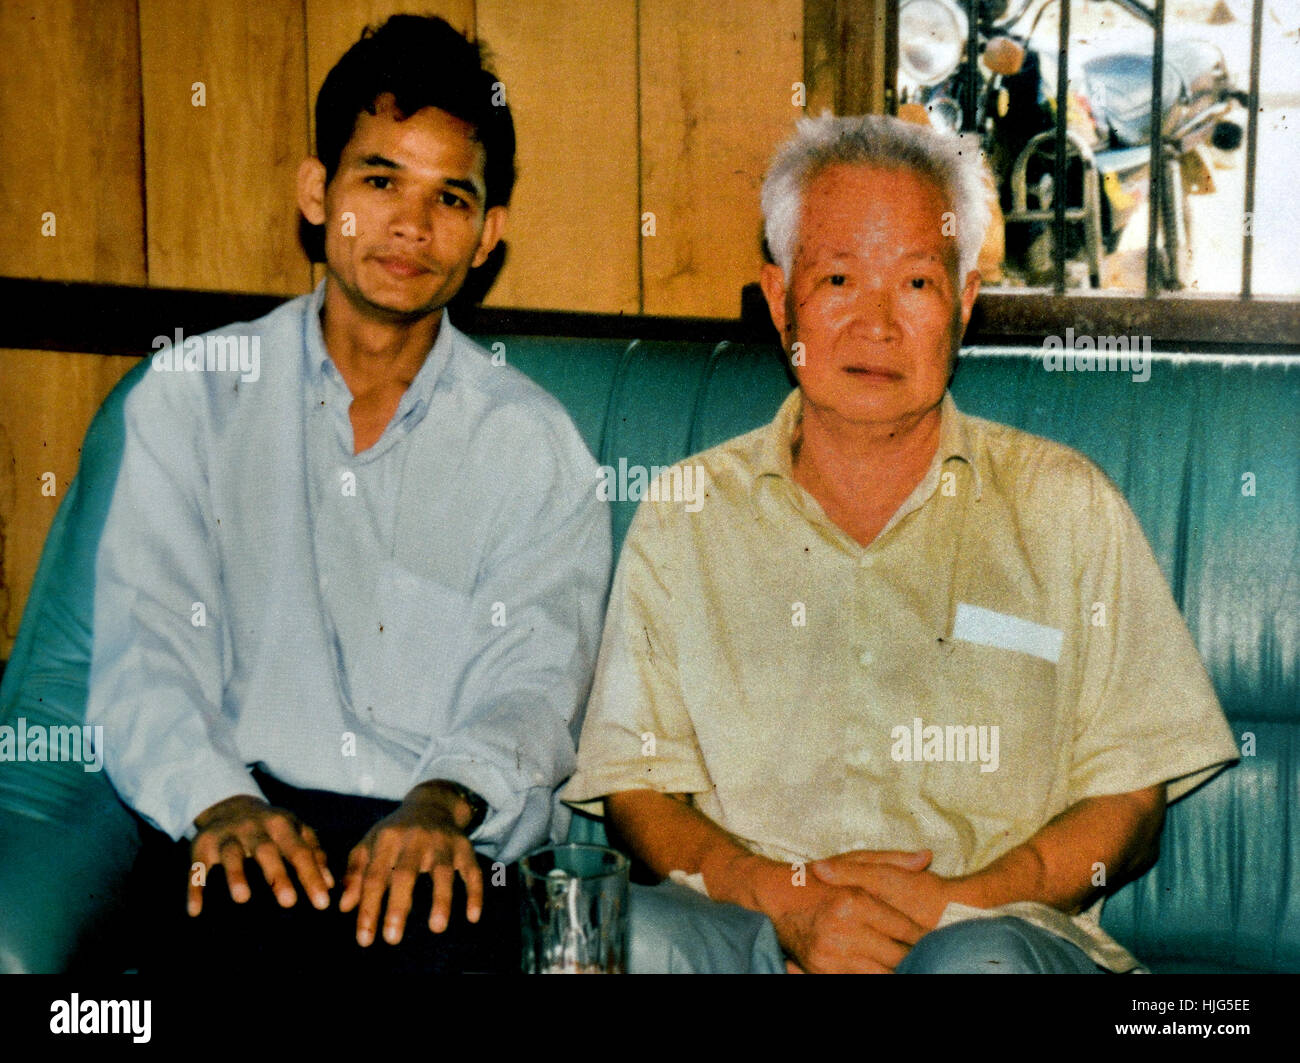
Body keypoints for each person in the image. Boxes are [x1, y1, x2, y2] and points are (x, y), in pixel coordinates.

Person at [562, 114, 1240, 974]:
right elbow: (637, 788)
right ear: (780, 302)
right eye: (839, 277)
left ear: (962, 306)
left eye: (916, 284)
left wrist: (961, 903)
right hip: (748, 928)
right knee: (630, 939)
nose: (877, 324)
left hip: (996, 932)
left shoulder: (1066, 506)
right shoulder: (684, 511)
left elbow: (1134, 800)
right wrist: (787, 901)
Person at [86, 15, 611, 974]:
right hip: (241, 826)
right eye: (379, 181)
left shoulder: (533, 445)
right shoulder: (192, 398)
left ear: (489, 235)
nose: (411, 225)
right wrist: (221, 802)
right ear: (317, 192)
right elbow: (145, 650)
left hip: (440, 842)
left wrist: (441, 805)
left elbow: (534, 683)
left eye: (450, 197)